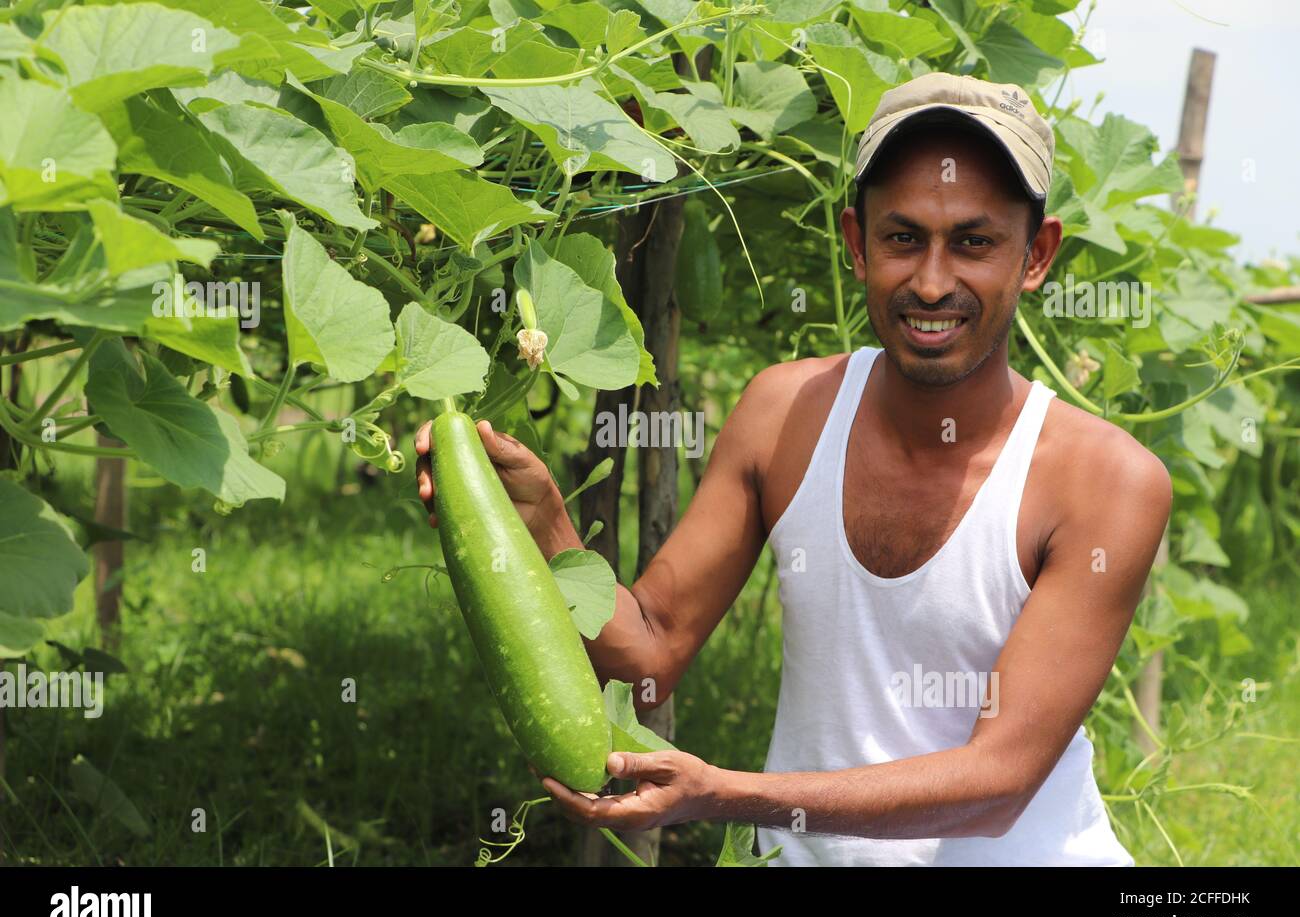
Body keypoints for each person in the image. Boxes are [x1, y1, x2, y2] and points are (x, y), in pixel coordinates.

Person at [414, 73, 1171, 866]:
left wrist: (725, 795)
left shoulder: (1109, 483)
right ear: (855, 242)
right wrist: (544, 526)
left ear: (1036, 255)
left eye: (974, 242)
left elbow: (998, 783)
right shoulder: (785, 414)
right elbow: (651, 652)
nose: (933, 281)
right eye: (903, 237)